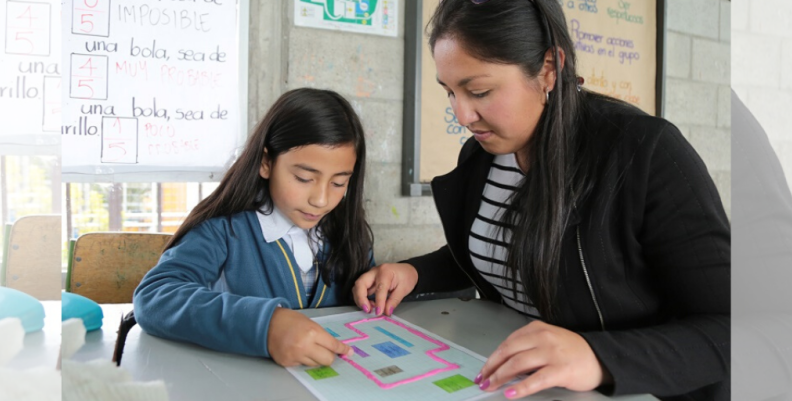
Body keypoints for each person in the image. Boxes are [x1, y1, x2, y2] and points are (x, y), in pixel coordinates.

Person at [353, 1, 729, 400]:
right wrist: (415, 273)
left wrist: (598, 357)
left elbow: (735, 328)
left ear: (549, 67)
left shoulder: (645, 152)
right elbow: (501, 252)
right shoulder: (481, 156)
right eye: (450, 92)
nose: (462, 114)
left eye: (479, 91)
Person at [134, 88, 374, 368]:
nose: (321, 200)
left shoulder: (349, 233)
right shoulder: (223, 230)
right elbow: (153, 298)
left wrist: (385, 280)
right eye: (304, 178)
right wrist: (265, 326)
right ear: (266, 162)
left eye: (338, 183)